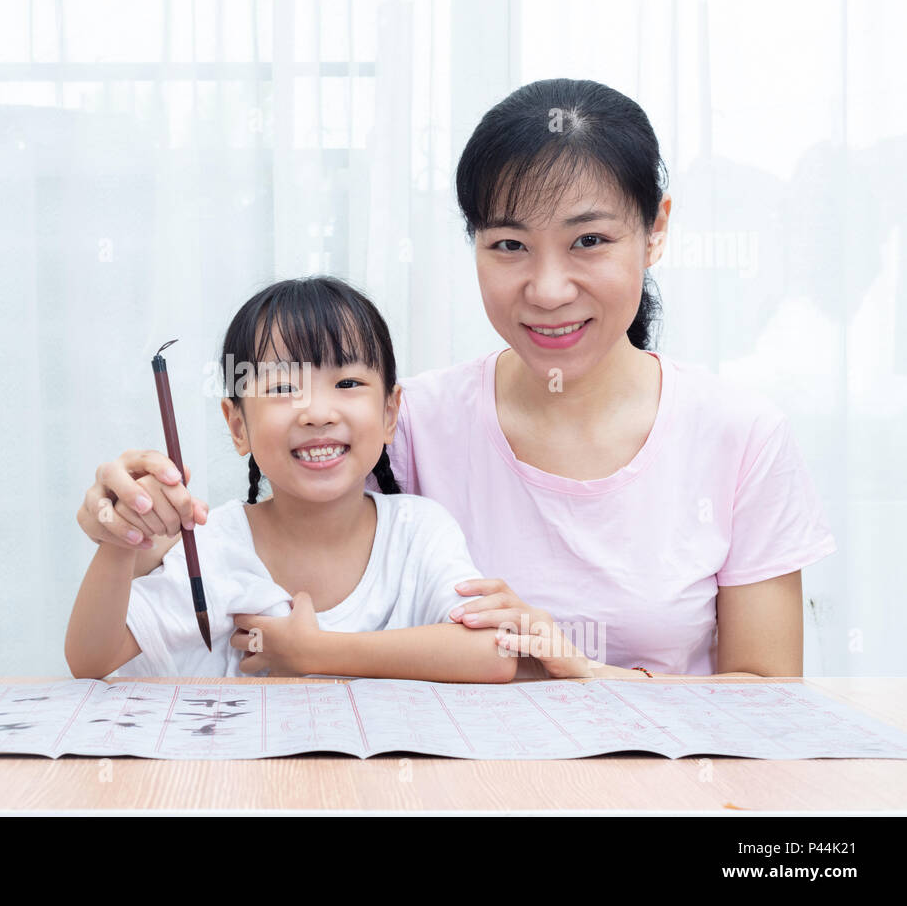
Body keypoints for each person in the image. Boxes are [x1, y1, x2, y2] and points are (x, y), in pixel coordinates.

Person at [77, 79, 837, 681]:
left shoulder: (742, 436)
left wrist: (598, 678)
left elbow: (767, 696)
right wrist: (135, 532)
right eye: (508, 244)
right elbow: (295, 536)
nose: (546, 289)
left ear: (657, 230)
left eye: (590, 241)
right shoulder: (410, 424)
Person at [66, 276, 524, 682]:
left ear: (390, 413)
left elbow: (495, 652)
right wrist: (121, 543)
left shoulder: (419, 531)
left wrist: (315, 652)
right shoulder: (213, 545)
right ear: (238, 425)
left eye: (347, 384)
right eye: (283, 389)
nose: (318, 413)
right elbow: (91, 660)